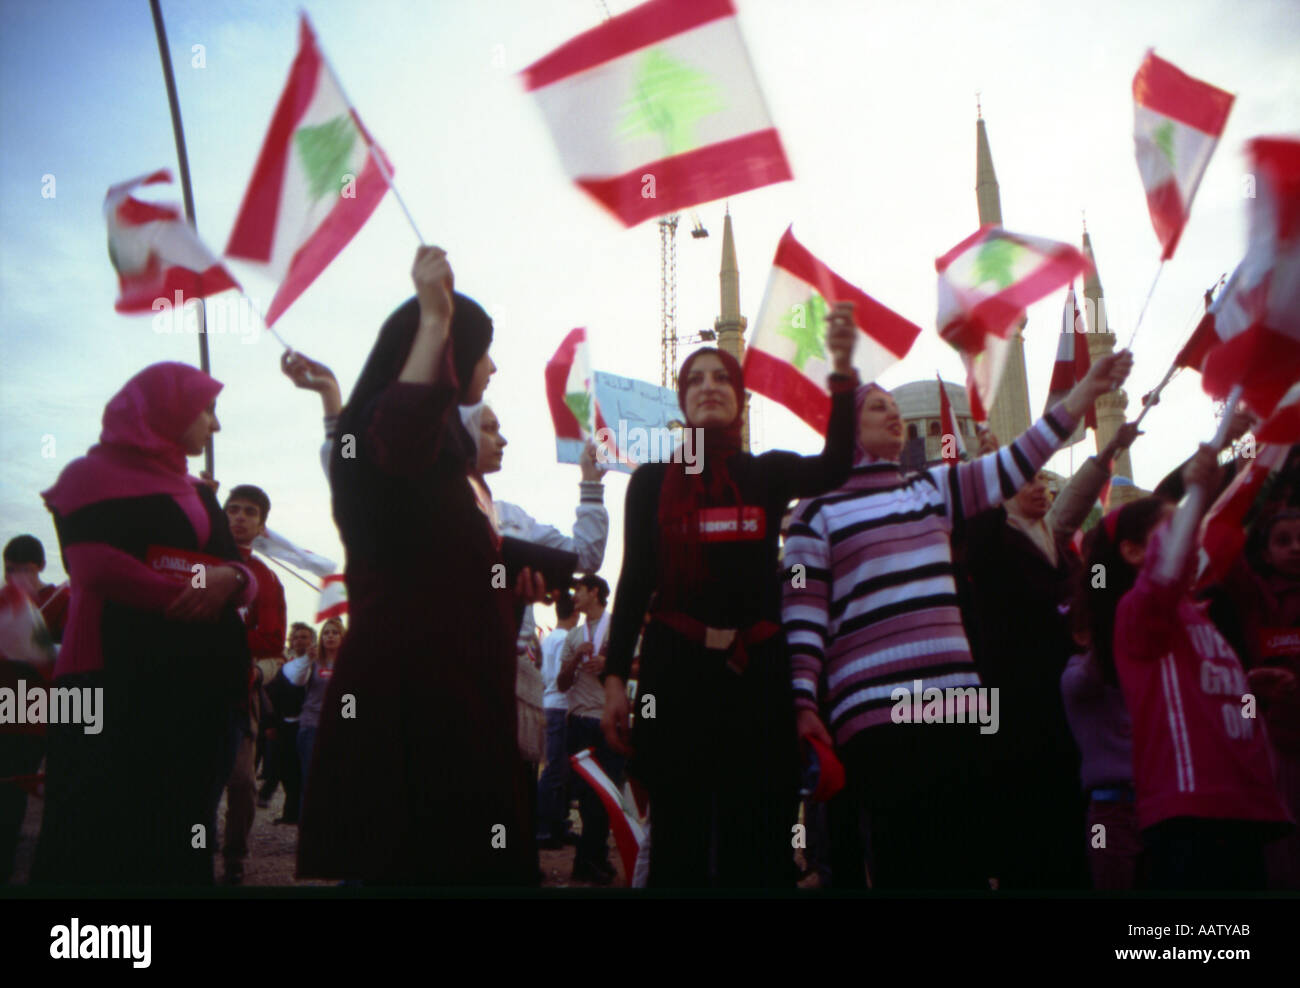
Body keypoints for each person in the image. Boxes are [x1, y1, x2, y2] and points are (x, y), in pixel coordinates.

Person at [781, 350, 1133, 889]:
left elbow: (1021, 458)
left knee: (965, 855)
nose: (893, 414)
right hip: (878, 713)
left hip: (956, 703)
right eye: (877, 409)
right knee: (905, 860)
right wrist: (804, 702)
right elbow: (802, 616)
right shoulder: (815, 515)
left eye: (895, 407)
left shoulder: (932, 490)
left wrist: (1085, 391)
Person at [297, 246, 542, 885]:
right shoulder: (390, 441)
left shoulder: (448, 469)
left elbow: (454, 566)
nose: (492, 365)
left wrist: (512, 583)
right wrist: (436, 317)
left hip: (462, 705)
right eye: (481, 349)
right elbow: (399, 434)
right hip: (408, 710)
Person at [602, 304, 860, 888]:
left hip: (756, 679)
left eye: (721, 378)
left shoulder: (766, 474)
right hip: (674, 677)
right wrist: (617, 679)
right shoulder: (649, 484)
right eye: (694, 379)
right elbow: (635, 579)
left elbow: (835, 467)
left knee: (760, 841)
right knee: (679, 843)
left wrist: (842, 372)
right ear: (681, 401)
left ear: (740, 399)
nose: (708, 387)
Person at [33, 362, 257, 885]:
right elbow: (93, 562)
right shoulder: (87, 477)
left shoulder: (199, 491)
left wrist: (228, 581)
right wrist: (200, 591)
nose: (215, 426)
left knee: (178, 826)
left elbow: (242, 574)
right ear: (168, 408)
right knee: (93, 828)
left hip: (189, 688)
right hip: (102, 680)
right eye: (207, 411)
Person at [1083, 448, 1292, 890]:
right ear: (1134, 552)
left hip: (1244, 810)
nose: (1190, 533)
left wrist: (1252, 695)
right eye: (1173, 526)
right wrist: (1197, 492)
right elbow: (1164, 575)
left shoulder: (1202, 618)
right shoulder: (1138, 614)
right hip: (1191, 814)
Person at [960, 423, 1140, 889]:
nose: (1038, 488)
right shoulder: (994, 546)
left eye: (1041, 479)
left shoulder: (1058, 548)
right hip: (1018, 716)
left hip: (1067, 717)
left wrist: (1109, 452)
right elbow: (977, 529)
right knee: (1033, 838)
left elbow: (1075, 503)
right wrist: (990, 469)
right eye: (1024, 482)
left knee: (1074, 837)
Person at [219, 483, 288, 885]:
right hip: (193, 687)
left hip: (240, 690)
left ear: (261, 525)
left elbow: (272, 641)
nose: (239, 517)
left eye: (249, 512)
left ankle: (234, 855)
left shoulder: (266, 578)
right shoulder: (199, 565)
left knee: (242, 781)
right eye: (232, 509)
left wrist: (224, 641)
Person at [0, 535, 68, 884]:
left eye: (23, 569)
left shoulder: (62, 599)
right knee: (9, 795)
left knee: (57, 793)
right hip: (9, 713)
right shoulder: (4, 601)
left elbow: (73, 651)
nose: (15, 577)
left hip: (47, 710)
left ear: (40, 567)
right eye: (9, 569)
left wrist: (38, 648)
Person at [557, 574, 617, 882]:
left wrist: (609, 665)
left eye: (579, 589)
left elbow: (640, 664)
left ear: (594, 592)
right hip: (580, 721)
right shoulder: (574, 636)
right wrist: (576, 658)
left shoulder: (618, 628)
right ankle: (588, 860)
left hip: (608, 722)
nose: (574, 594)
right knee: (587, 797)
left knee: (606, 797)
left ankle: (594, 857)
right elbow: (561, 683)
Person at [287, 617, 343, 822]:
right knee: (311, 781)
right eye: (326, 633)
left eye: (334, 633)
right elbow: (296, 681)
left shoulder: (349, 664)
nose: (330, 636)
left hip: (339, 728)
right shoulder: (313, 661)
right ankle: (308, 831)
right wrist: (306, 661)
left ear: (342, 637)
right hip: (312, 726)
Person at [537, 593, 580, 848]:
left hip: (550, 703)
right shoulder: (566, 639)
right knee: (555, 770)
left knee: (558, 770)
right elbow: (565, 678)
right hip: (561, 706)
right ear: (575, 613)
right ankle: (544, 829)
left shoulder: (550, 638)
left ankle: (556, 825)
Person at [261, 622, 314, 819]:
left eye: (304, 637)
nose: (300, 641)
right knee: (285, 769)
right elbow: (271, 695)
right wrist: (270, 724)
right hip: (284, 725)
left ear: (311, 641)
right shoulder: (283, 667)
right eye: (296, 637)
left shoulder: (316, 666)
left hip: (307, 725)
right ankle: (290, 811)